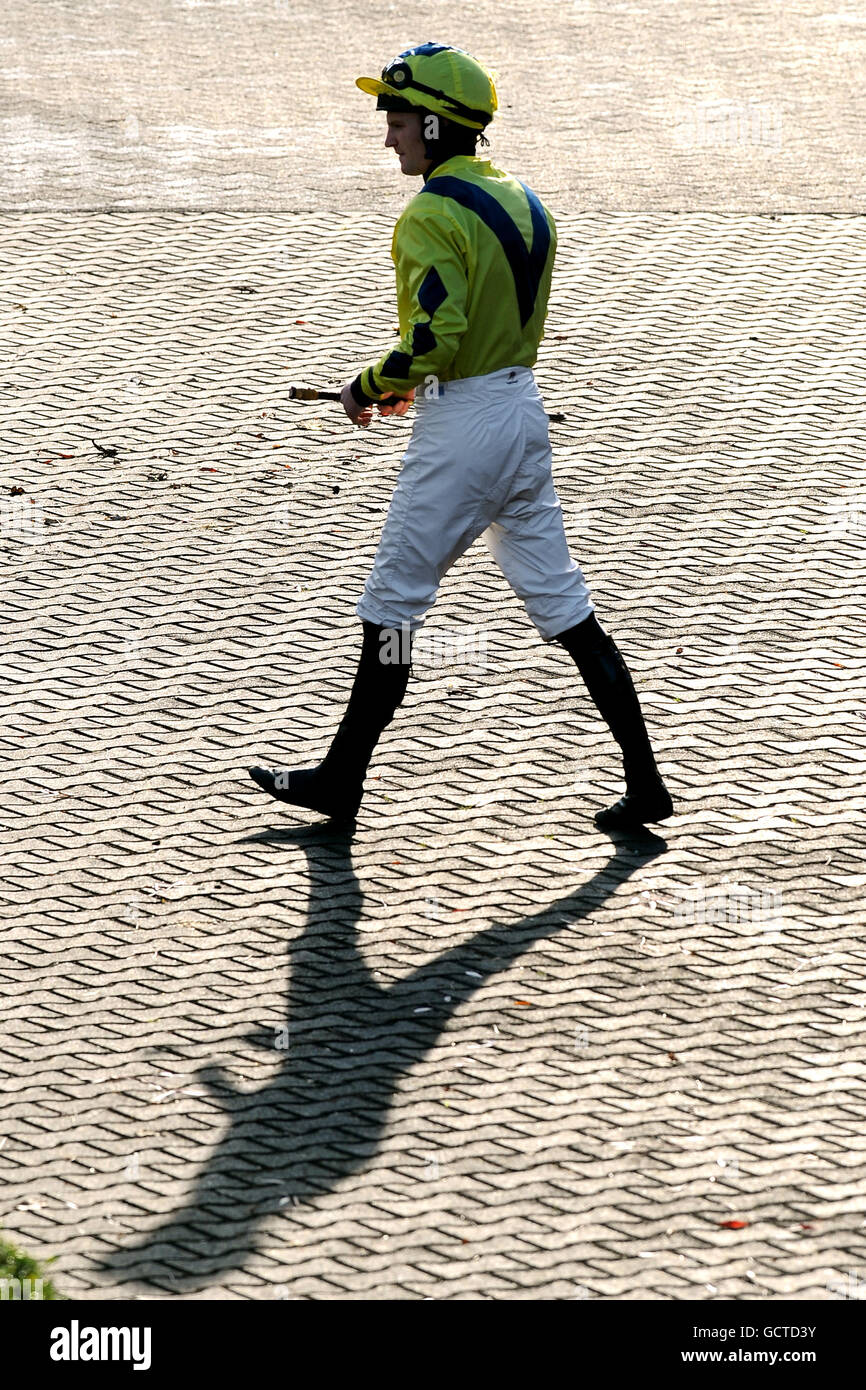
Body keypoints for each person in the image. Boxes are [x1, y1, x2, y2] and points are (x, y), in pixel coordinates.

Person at [249, 42, 673, 831]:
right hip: (520, 414)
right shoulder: (520, 197)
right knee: (568, 610)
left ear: (438, 128)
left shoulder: (430, 214)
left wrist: (369, 387)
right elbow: (476, 329)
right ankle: (646, 784)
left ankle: (341, 781)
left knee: (391, 608)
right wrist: (422, 381)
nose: (390, 140)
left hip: (465, 433)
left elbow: (434, 339)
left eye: (400, 122)